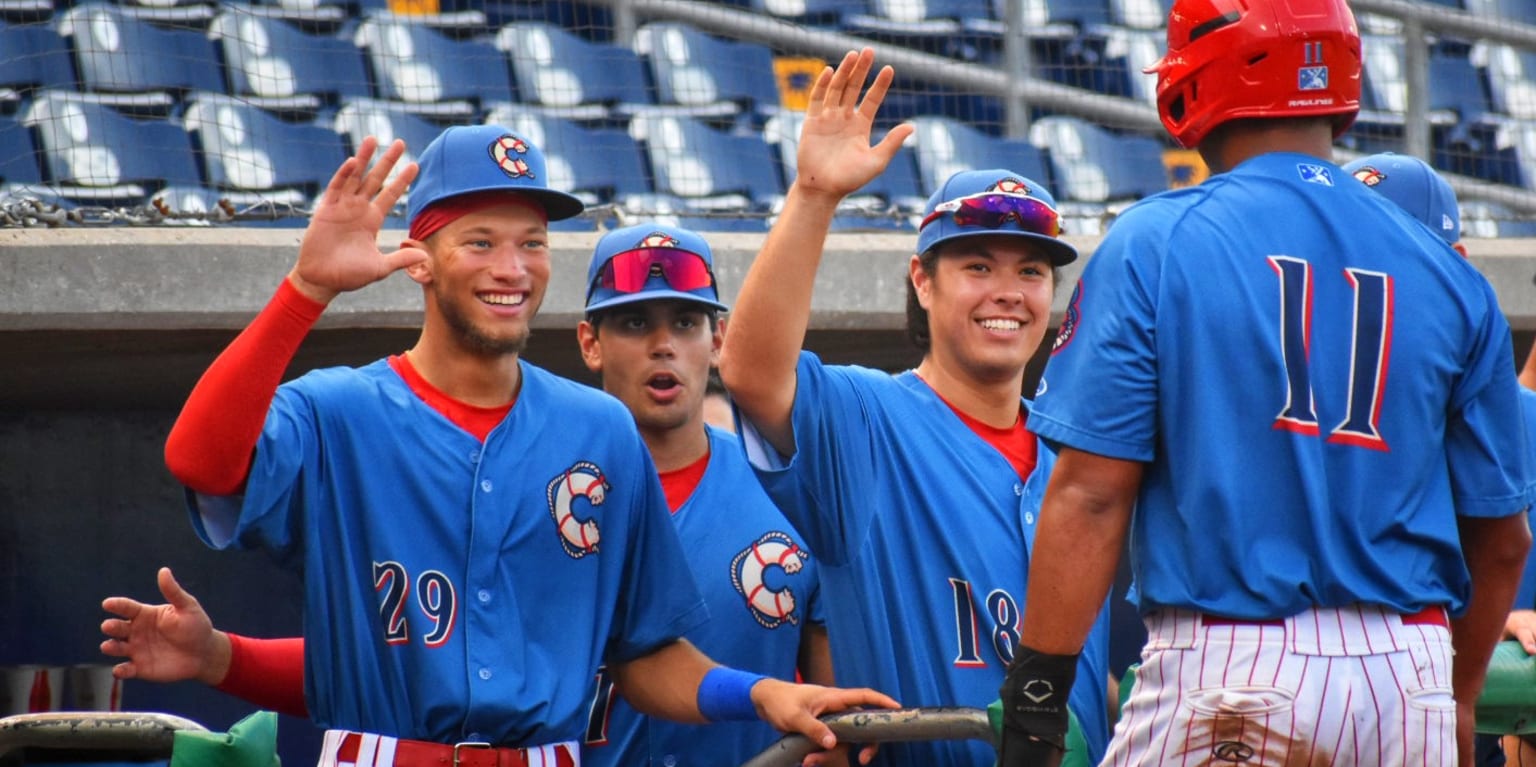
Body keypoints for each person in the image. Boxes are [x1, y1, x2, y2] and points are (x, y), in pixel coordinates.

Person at [111, 125, 895, 766]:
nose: (512, 269)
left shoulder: (598, 430)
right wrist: (304, 290)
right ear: (420, 257)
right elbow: (200, 461)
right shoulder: (340, 410)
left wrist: (760, 694)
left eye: (532, 242)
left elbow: (643, 656)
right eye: (480, 242)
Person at [998, 0, 1536, 764]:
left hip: (1234, 661)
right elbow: (1504, 540)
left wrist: (1038, 694)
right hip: (1408, 675)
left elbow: (1090, 493)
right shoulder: (1449, 275)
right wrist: (1460, 691)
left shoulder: (1161, 238)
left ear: (1212, 72)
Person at [717, 48, 1113, 767]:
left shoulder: (1077, 449)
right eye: (977, 265)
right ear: (922, 282)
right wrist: (813, 195)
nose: (1007, 291)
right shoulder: (867, 420)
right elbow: (748, 370)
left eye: (1030, 270)